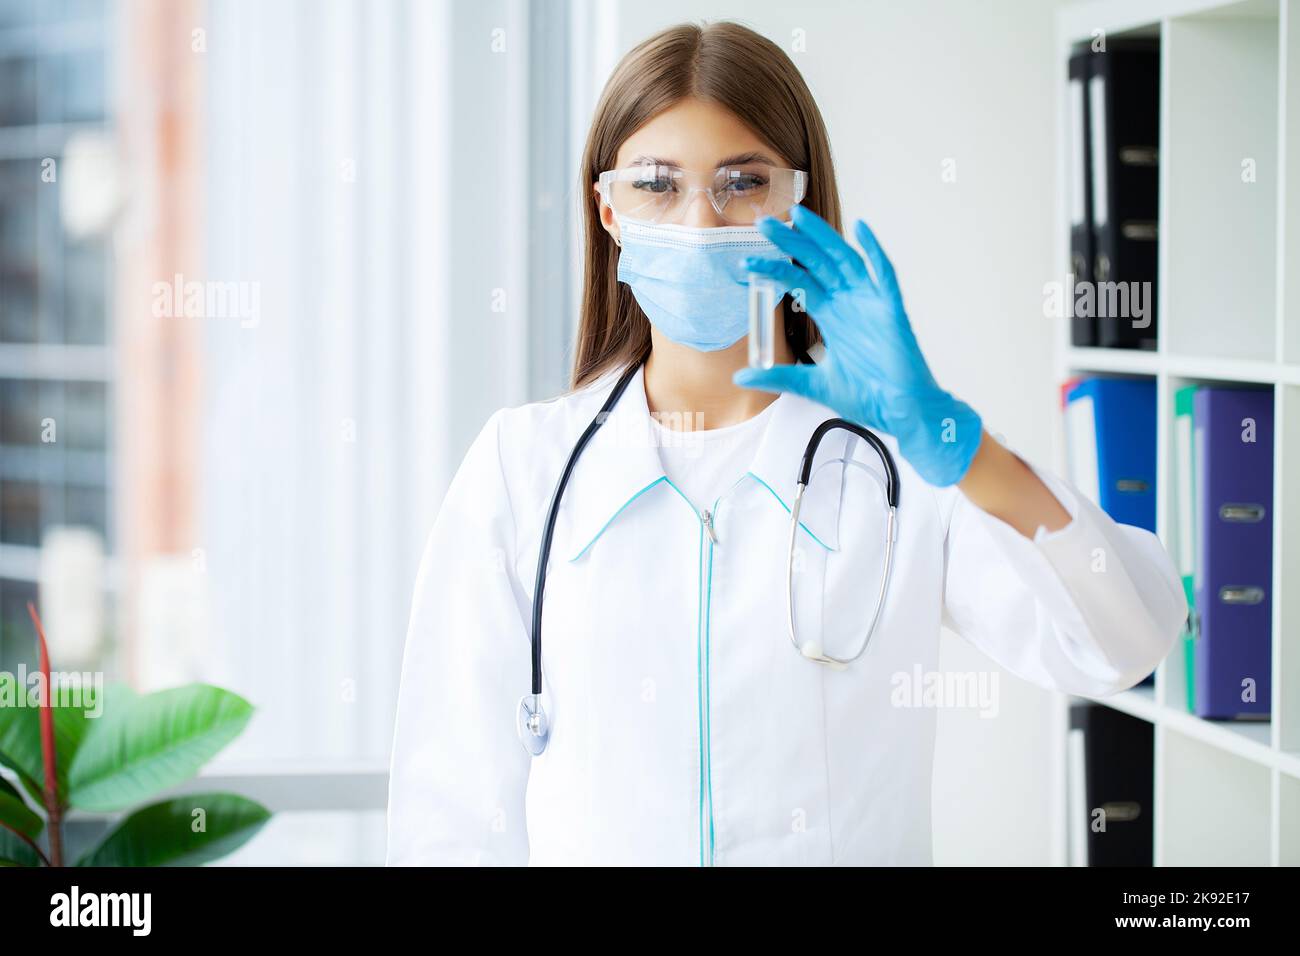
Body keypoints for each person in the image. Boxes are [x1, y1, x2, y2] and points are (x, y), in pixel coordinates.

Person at [386, 20, 1184, 866]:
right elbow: (451, 819)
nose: (700, 221)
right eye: (657, 184)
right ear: (609, 211)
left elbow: (1122, 646)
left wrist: (952, 439)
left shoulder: (900, 467)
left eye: (743, 182)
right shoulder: (522, 470)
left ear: (796, 206)